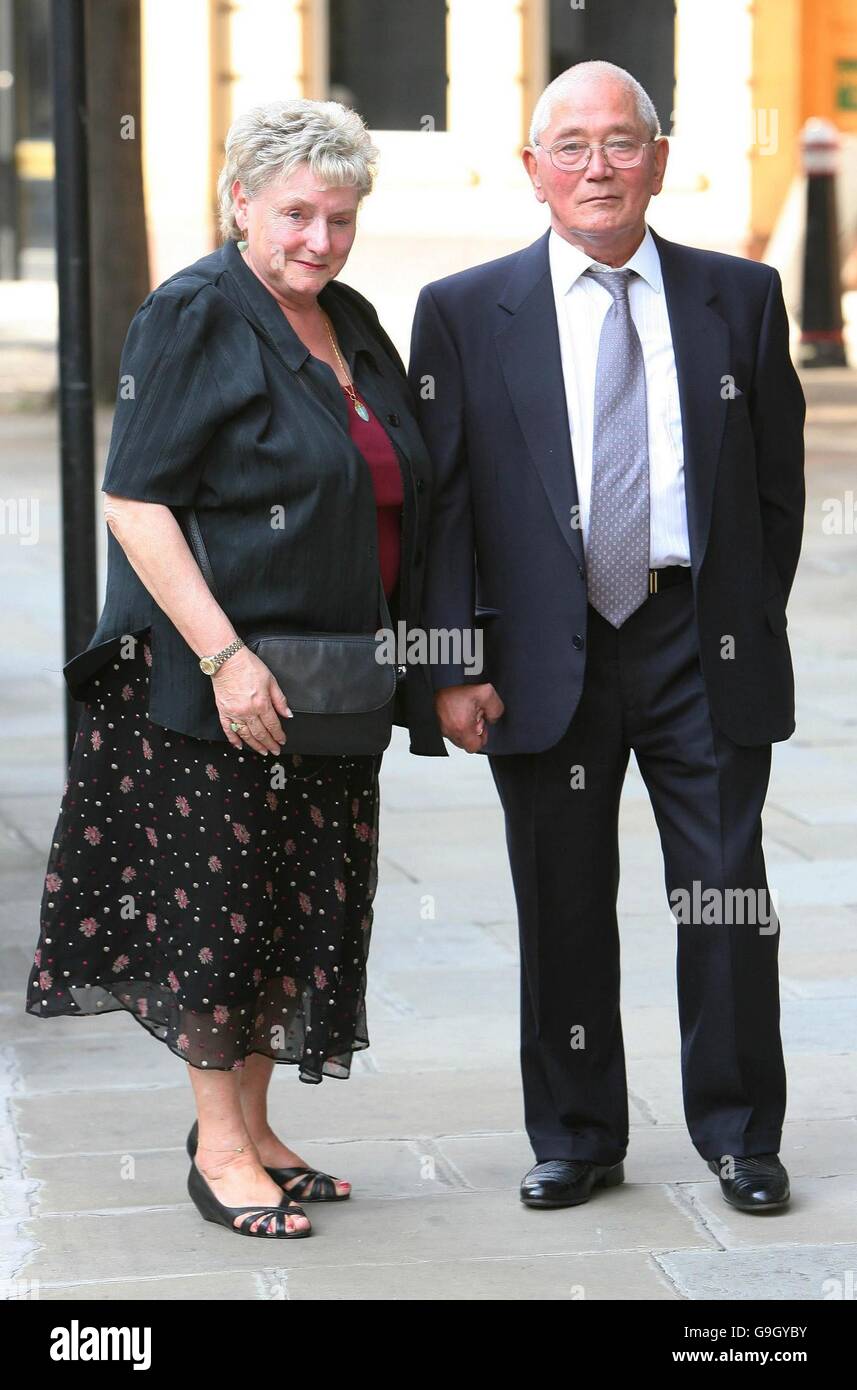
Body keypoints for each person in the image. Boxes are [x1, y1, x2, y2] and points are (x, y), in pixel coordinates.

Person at [26, 97, 444, 1240]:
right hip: (222, 690)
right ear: (240, 204)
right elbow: (133, 496)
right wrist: (224, 655)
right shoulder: (196, 312)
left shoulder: (349, 319)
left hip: (333, 685)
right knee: (220, 910)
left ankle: (256, 1131)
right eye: (296, 213)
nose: (318, 239)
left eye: (340, 218)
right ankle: (218, 1150)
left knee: (291, 909)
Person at [409, 61, 805, 1213]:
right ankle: (577, 1135)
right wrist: (450, 666)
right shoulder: (463, 310)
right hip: (543, 647)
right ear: (533, 170)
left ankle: (738, 1134)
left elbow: (772, 492)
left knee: (724, 893)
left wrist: (739, 618)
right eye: (571, 145)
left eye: (621, 142)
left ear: (658, 161)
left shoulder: (740, 297)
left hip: (695, 642)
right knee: (562, 897)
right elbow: (442, 510)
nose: (597, 166)